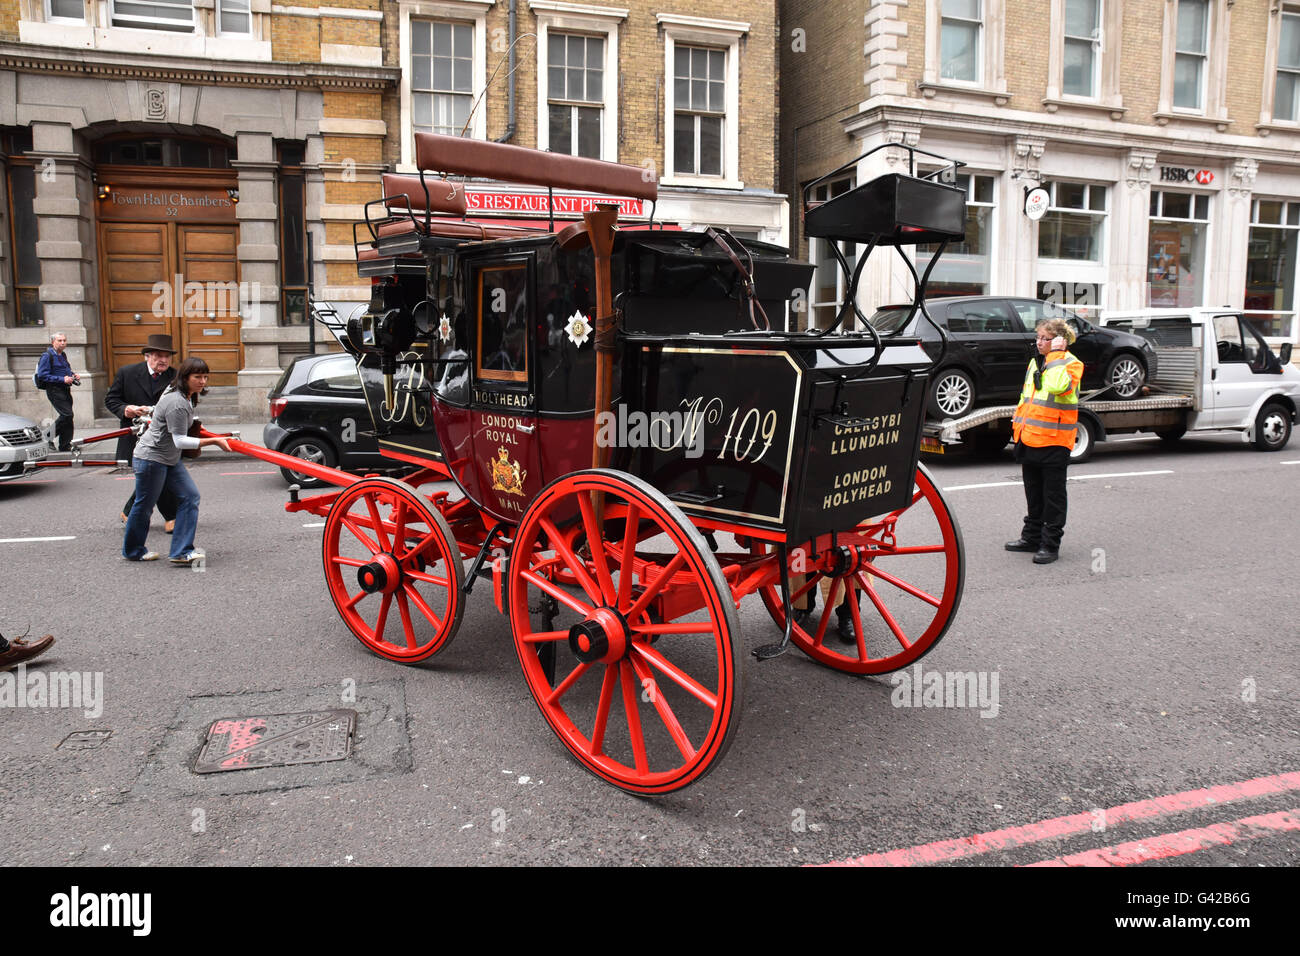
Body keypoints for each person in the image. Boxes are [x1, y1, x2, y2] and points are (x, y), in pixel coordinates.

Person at [122, 357, 231, 564]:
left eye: (205, 377)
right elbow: (180, 441)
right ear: (185, 377)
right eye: (197, 377)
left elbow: (160, 413)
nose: (202, 381)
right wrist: (215, 441)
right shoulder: (178, 402)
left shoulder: (184, 395)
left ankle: (181, 551)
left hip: (167, 458)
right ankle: (133, 550)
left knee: (190, 497)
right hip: (151, 459)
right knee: (144, 505)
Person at [1005, 318, 1085, 565]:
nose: (1039, 342)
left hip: (1054, 440)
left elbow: (1056, 386)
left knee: (1053, 496)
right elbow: (1027, 396)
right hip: (1029, 436)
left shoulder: (1070, 363)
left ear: (1060, 341)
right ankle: (1031, 537)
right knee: (1033, 493)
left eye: (1045, 338)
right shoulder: (1035, 362)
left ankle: (1050, 544)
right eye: (1038, 337)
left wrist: (1057, 355)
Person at [105, 334, 179, 532]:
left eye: (167, 356)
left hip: (162, 438)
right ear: (147, 355)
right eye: (157, 355)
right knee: (153, 473)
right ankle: (170, 516)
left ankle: (133, 513)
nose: (163, 360)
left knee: (154, 473)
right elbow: (111, 400)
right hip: (134, 435)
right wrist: (126, 409)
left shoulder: (176, 377)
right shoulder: (127, 373)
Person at [34, 332, 80, 451]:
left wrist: (73, 375)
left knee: (69, 417)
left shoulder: (62, 355)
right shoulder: (47, 355)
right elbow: (43, 375)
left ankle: (65, 445)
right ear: (53, 342)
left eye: (64, 340)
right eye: (59, 340)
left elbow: (65, 370)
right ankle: (46, 436)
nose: (63, 343)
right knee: (67, 414)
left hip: (65, 389)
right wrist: (62, 379)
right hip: (54, 390)